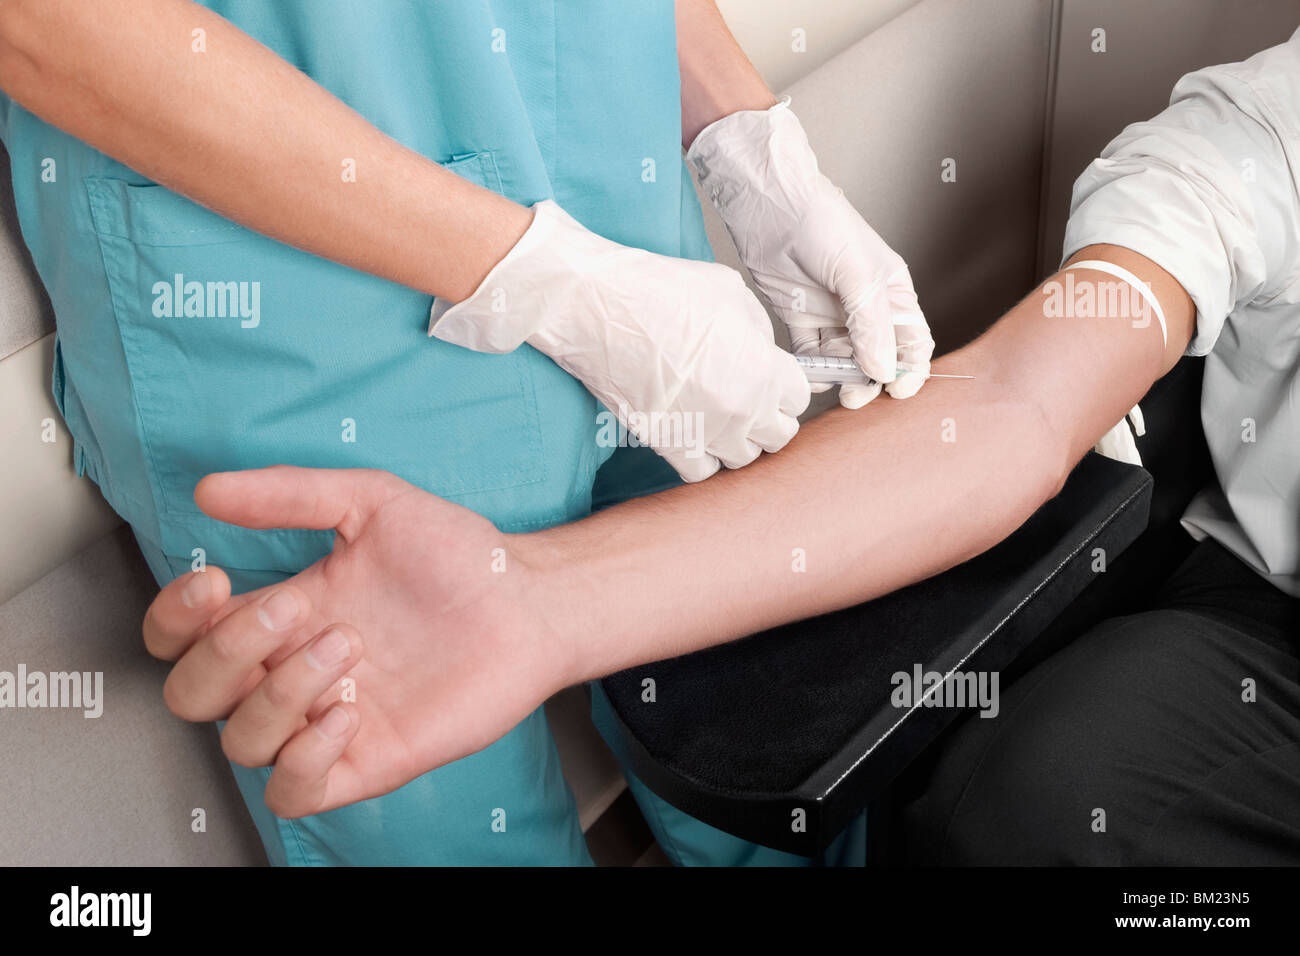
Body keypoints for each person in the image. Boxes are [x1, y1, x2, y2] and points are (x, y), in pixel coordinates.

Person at [144, 30, 1300, 864]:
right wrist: (535, 601)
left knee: (728, 688)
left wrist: (741, 139)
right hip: (273, 255)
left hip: (586, 132)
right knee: (427, 782)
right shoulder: (1268, 130)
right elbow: (1010, 408)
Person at [0, 0, 931, 864]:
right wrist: (551, 284)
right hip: (301, 315)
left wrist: (743, 140)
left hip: (626, 205)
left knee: (772, 758)